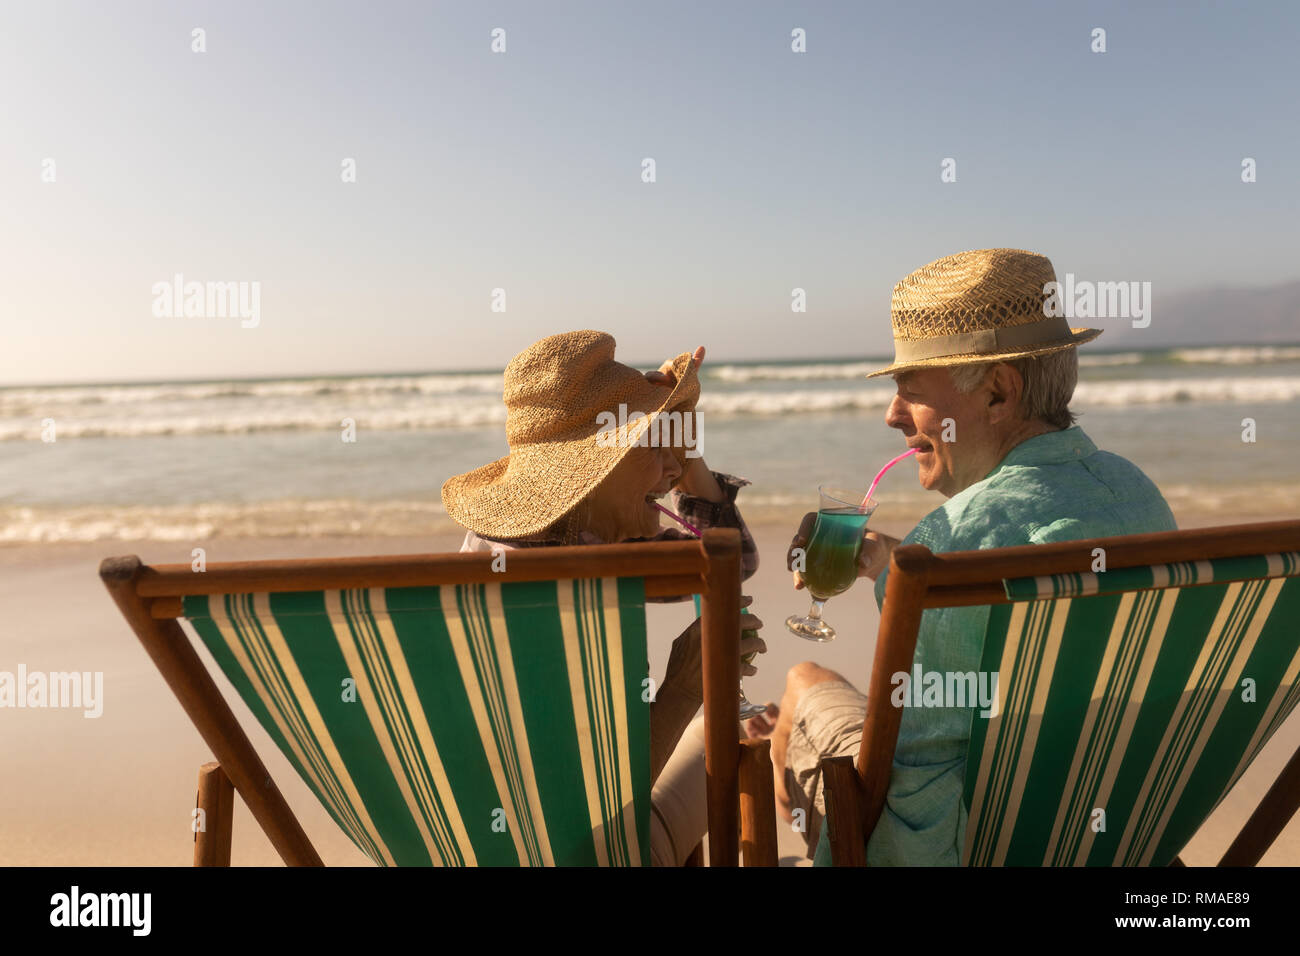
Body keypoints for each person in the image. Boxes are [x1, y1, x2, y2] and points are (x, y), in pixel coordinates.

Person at [751, 248, 1177, 865]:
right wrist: (888, 561)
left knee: (802, 683)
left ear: (999, 393)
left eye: (909, 391)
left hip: (960, 845)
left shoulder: (957, 537)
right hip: (1112, 828)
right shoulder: (1135, 495)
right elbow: (999, 564)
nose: (892, 415)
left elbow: (913, 778)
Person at [441, 329, 762, 866]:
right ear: (594, 465)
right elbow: (591, 807)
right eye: (654, 446)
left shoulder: (568, 540)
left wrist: (675, 433)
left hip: (473, 843)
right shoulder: (556, 593)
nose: (674, 469)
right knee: (739, 729)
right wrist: (686, 686)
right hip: (584, 848)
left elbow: (730, 562)